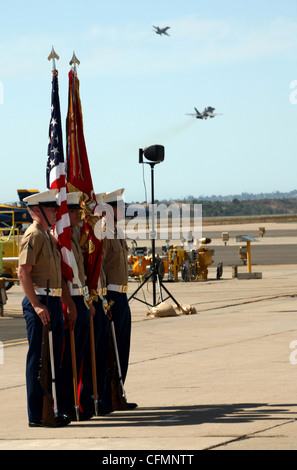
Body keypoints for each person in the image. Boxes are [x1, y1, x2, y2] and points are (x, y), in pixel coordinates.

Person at [18, 189, 76, 427]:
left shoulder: (47, 236)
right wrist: (36, 305)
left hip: (51, 300)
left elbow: (57, 275)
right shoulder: (34, 235)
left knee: (53, 359)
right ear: (38, 211)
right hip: (40, 301)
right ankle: (37, 415)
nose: (56, 212)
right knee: (39, 359)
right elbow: (23, 273)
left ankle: (51, 409)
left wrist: (67, 302)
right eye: (51, 209)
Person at [59, 191, 95, 420]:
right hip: (69, 301)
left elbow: (81, 276)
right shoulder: (62, 238)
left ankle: (78, 405)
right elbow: (66, 276)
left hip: (80, 300)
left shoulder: (74, 237)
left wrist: (86, 301)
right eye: (76, 212)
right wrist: (71, 303)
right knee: (68, 360)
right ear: (68, 213)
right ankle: (68, 405)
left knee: (79, 357)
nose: (81, 217)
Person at [101, 188, 137, 411]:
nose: (124, 209)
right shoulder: (103, 232)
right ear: (110, 209)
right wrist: (105, 300)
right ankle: (108, 395)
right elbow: (101, 269)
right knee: (110, 349)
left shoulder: (119, 232)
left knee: (123, 348)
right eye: (121, 206)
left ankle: (118, 393)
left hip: (122, 294)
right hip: (111, 295)